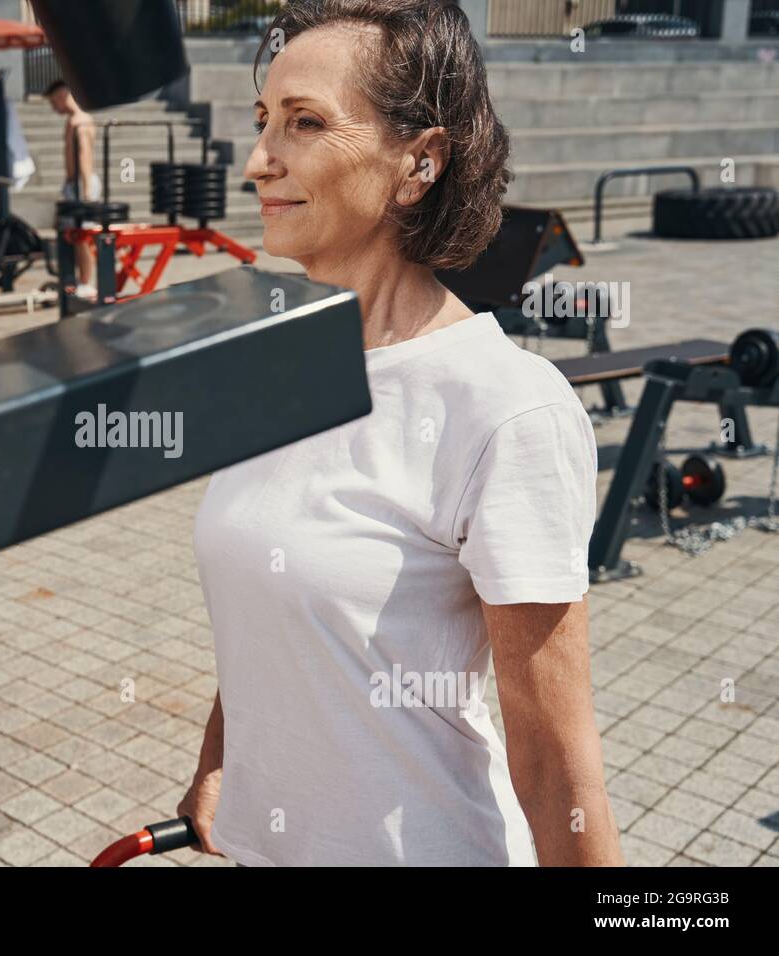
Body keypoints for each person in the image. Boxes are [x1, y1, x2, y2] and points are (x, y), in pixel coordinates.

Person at [178, 0, 624, 867]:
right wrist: (220, 766)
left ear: (419, 161)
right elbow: (270, 618)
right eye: (263, 120)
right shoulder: (279, 369)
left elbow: (558, 764)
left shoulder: (505, 410)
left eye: (305, 123)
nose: (260, 161)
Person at [44, 79, 100, 299]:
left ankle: (87, 281)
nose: (53, 108)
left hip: (80, 183)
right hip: (75, 184)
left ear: (62, 96)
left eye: (53, 102)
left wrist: (85, 193)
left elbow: (84, 157)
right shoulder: (75, 121)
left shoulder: (79, 123)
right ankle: (80, 278)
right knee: (73, 235)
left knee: (81, 236)